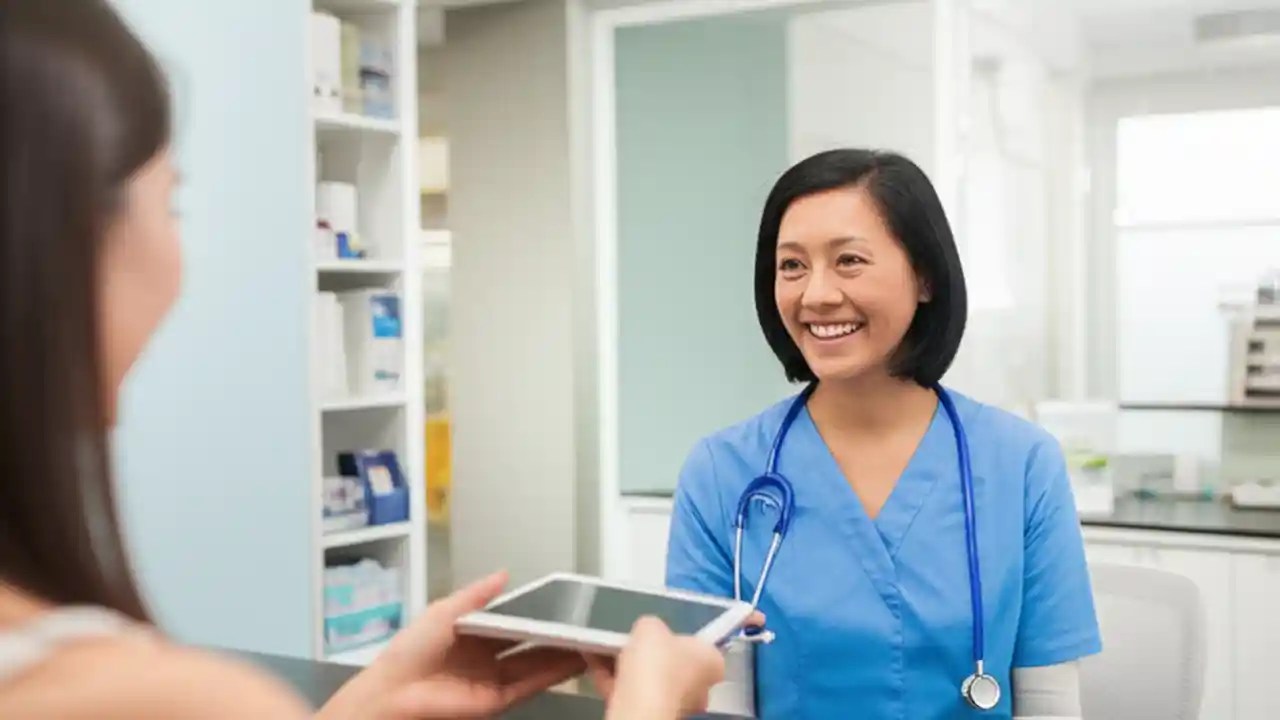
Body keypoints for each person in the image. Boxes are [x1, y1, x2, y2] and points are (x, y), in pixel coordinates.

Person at [0, 2, 724, 718]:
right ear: (60, 240)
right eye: (172, 203)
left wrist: (365, 707)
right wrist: (651, 706)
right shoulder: (149, 699)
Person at [664, 149, 1102, 718]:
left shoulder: (1021, 464)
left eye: (848, 261)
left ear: (924, 276)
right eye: (792, 265)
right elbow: (716, 702)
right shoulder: (722, 473)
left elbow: (1049, 702)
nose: (815, 294)